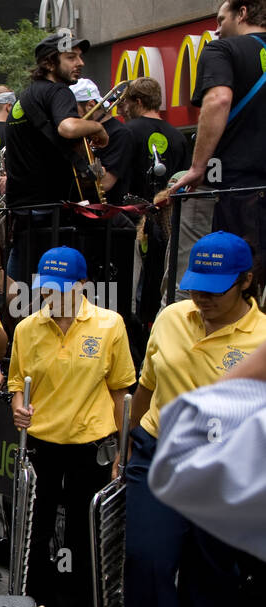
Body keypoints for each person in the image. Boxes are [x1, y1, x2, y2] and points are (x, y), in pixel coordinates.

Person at [124, 232, 266, 607]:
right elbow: (146, 386)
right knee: (148, 561)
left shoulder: (262, 338)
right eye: (194, 287)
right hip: (157, 453)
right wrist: (127, 446)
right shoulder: (169, 319)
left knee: (212, 575)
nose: (201, 298)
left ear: (247, 281)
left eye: (215, 289)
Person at [7, 247, 135, 607]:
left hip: (88, 442)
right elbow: (16, 381)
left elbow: (120, 391)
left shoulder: (109, 325)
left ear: (83, 286)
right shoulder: (28, 328)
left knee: (80, 535)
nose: (51, 296)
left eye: (61, 289)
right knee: (36, 528)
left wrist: (122, 450)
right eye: (45, 288)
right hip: (42, 442)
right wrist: (17, 406)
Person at [172, 1, 266, 293]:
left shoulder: (222, 50)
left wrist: (198, 167)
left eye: (221, 19)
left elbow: (218, 100)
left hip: (234, 189)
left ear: (243, 13)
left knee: (227, 281)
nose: (216, 29)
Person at [4, 32, 108, 288]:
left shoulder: (26, 97)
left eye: (80, 56)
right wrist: (98, 128)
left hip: (22, 212)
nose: (80, 63)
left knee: (23, 291)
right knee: (64, 289)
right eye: (71, 57)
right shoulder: (59, 92)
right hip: (52, 215)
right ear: (50, 63)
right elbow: (68, 128)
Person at [150, 341, 266, 561]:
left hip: (210, 458)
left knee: (212, 567)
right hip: (159, 445)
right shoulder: (170, 318)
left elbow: (177, 461)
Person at [121, 76, 191, 341]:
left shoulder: (128, 132)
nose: (124, 108)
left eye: (127, 102)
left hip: (134, 223)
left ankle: (138, 340)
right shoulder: (177, 136)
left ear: (138, 101)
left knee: (136, 288)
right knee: (162, 282)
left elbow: (120, 180)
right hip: (170, 221)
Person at [70, 78, 135, 204]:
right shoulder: (81, 130)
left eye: (73, 109)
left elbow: (105, 183)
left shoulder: (120, 134)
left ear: (90, 106)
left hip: (108, 214)